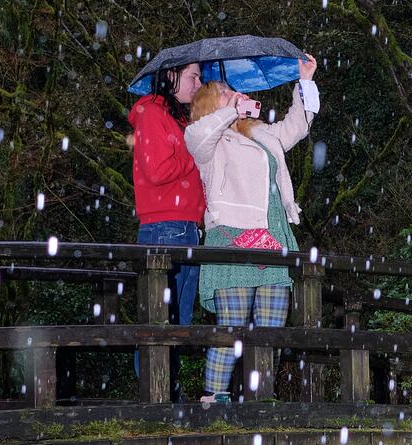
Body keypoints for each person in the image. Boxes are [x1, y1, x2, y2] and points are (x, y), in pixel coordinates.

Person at [185, 53, 319, 403]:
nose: (235, 95)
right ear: (210, 104)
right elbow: (197, 136)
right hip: (233, 239)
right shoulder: (210, 145)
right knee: (231, 329)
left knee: (270, 330)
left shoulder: (259, 133)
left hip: (273, 238)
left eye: (233, 91)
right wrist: (230, 110)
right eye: (224, 92)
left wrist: (304, 82)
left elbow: (297, 127)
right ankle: (214, 400)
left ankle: (261, 400)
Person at [128, 61, 205, 324]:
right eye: (193, 77)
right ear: (171, 75)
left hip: (186, 226)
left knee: (179, 324)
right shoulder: (152, 112)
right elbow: (157, 171)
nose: (199, 84)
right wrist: (193, 152)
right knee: (162, 323)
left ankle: (169, 354)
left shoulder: (177, 117)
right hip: (166, 227)